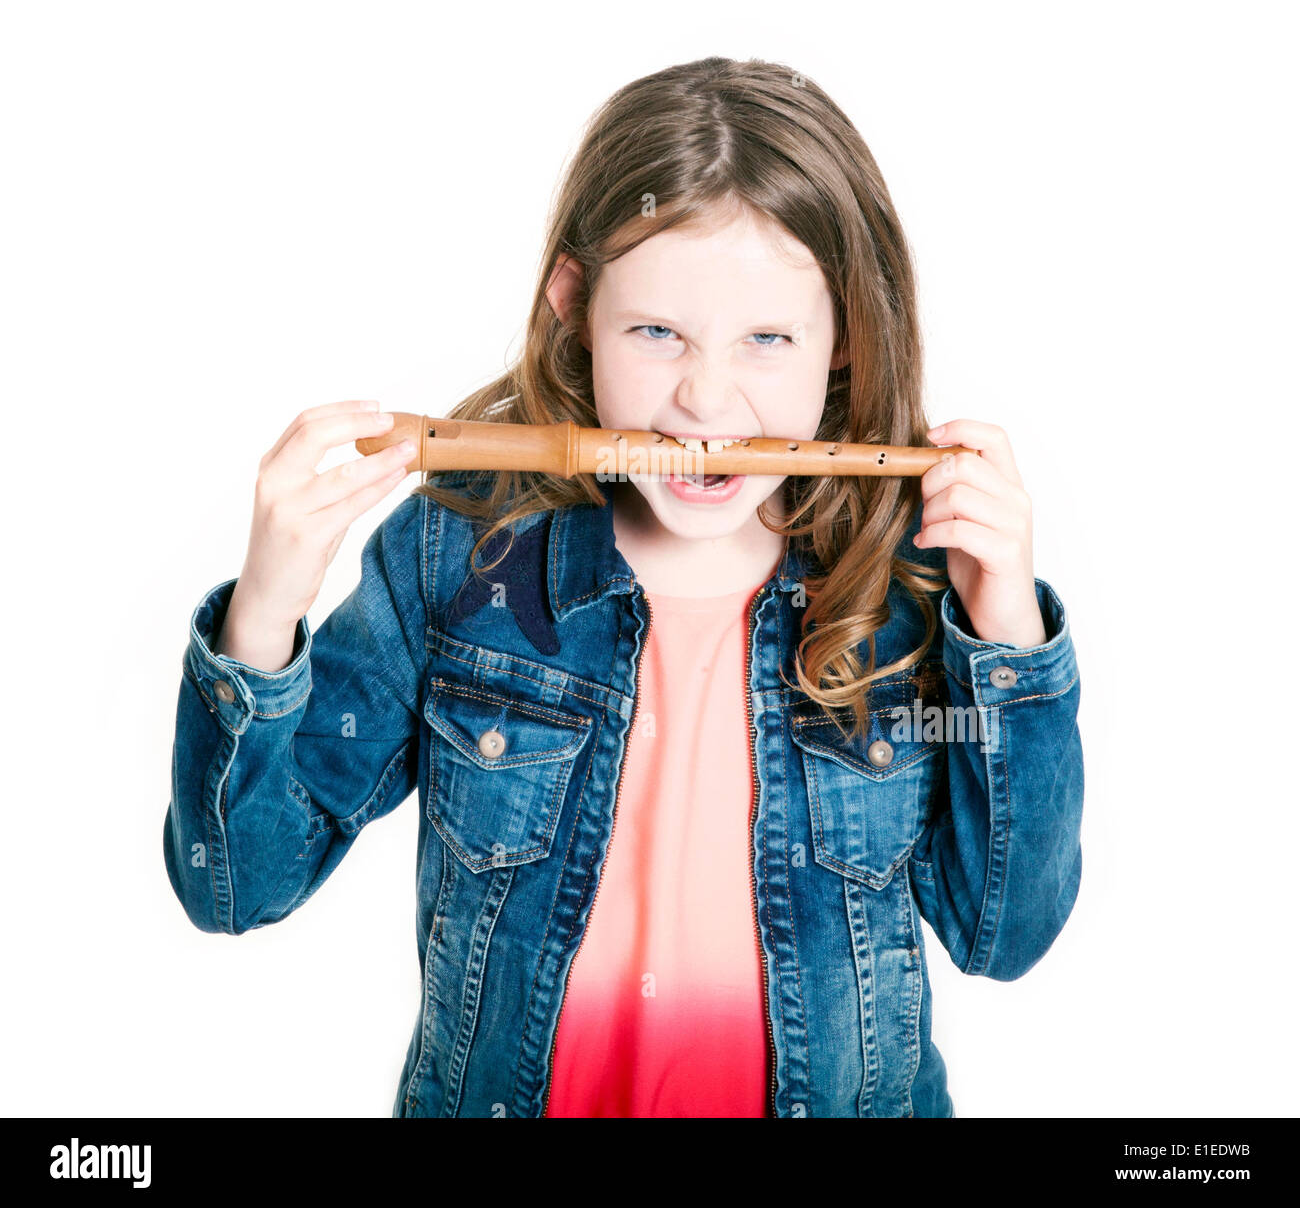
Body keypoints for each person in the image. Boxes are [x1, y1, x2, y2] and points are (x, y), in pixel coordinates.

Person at [164, 55, 1084, 1118]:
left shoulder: (911, 588)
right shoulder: (459, 555)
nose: (705, 399)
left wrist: (1005, 634)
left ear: (843, 342)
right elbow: (233, 881)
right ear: (575, 305)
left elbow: (1001, 935)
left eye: (768, 339)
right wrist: (265, 614)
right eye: (657, 332)